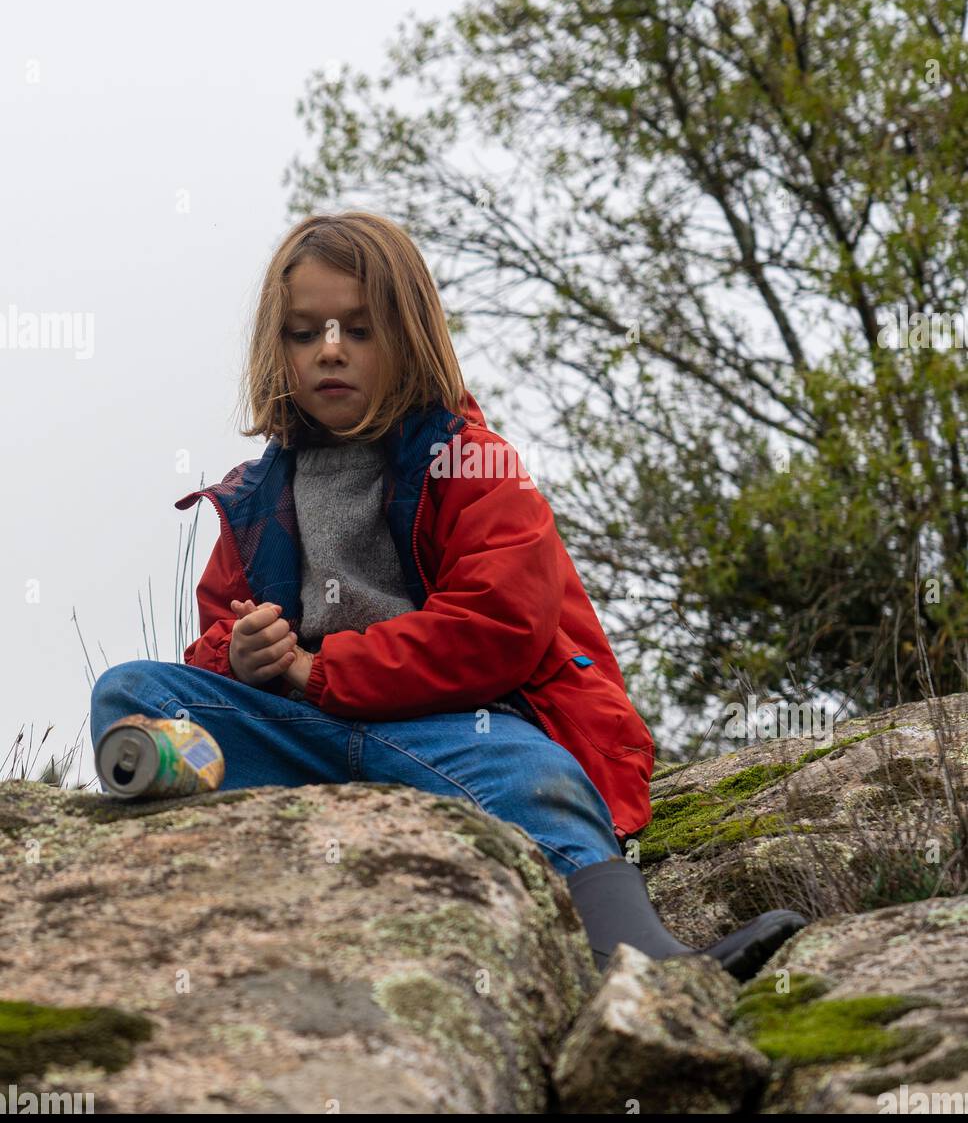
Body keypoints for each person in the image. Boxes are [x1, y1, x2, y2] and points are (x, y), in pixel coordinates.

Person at [90, 211, 806, 980]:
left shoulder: (475, 465)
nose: (330, 350)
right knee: (132, 690)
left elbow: (496, 630)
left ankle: (651, 963)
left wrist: (315, 670)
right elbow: (217, 631)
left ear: (408, 335)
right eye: (305, 334)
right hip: (310, 735)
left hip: (460, 730)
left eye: (359, 330)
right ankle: (207, 808)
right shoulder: (257, 498)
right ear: (279, 348)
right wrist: (243, 656)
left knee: (534, 779)